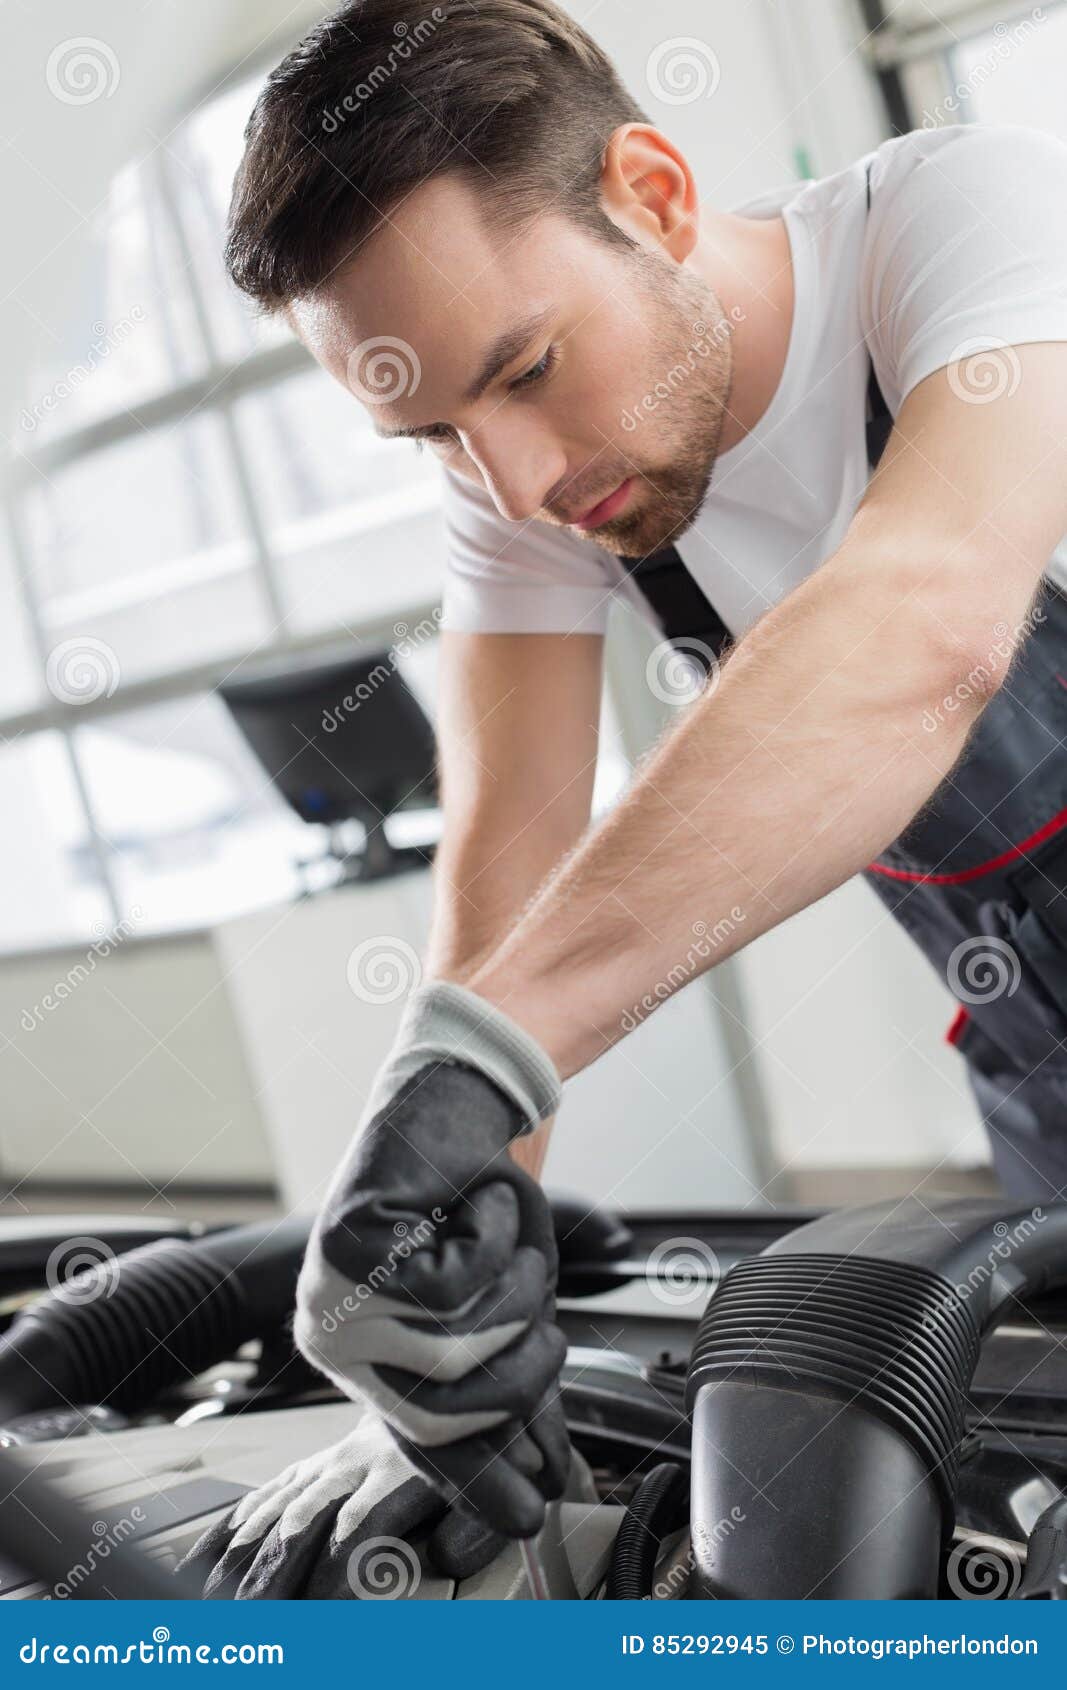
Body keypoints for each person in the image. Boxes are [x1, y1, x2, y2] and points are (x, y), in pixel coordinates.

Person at [180, 0, 1067, 1595]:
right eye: (435, 428)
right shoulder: (541, 484)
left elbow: (923, 630)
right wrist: (440, 1308)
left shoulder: (969, 229)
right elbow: (501, 879)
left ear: (652, 193)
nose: (511, 480)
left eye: (523, 370)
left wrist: (477, 1059)